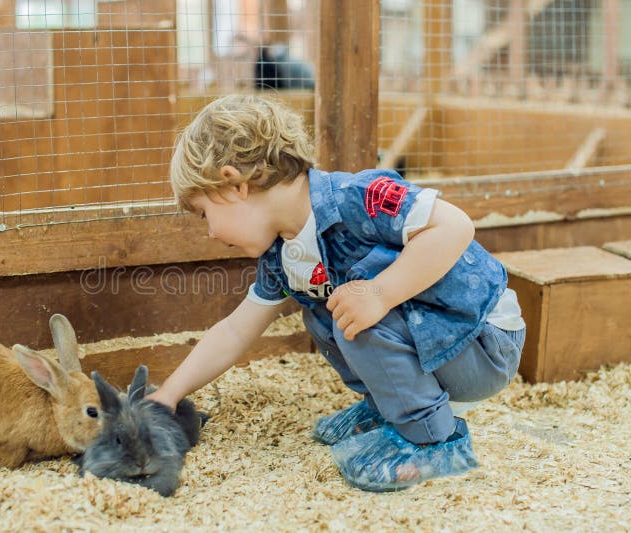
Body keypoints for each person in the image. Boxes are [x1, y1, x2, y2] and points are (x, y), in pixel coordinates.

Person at [146, 94, 525, 492]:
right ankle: (388, 411)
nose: (211, 232)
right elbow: (235, 330)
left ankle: (434, 441)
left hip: (483, 340)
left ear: (234, 183)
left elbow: (455, 225)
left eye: (205, 214)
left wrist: (380, 293)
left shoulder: (357, 198)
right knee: (330, 309)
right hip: (437, 342)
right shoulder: (282, 255)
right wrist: (169, 394)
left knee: (355, 306)